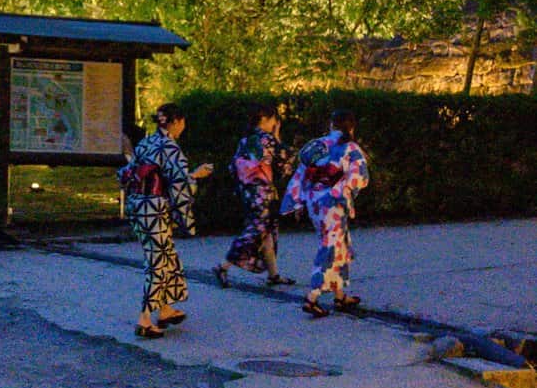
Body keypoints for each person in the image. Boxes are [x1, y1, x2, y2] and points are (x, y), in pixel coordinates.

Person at [121, 102, 213, 339]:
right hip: (154, 205)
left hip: (137, 204)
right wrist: (196, 174)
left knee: (167, 256)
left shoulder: (146, 142)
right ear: (176, 122)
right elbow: (179, 180)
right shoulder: (169, 147)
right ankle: (144, 318)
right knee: (159, 262)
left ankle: (165, 309)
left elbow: (131, 170)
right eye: (182, 122)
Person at [280, 108, 370, 318]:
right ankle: (312, 297)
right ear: (352, 127)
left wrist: (297, 201)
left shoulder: (316, 145)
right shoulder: (351, 148)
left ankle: (340, 295)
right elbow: (360, 178)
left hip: (315, 201)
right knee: (330, 247)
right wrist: (341, 190)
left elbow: (300, 174)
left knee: (337, 244)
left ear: (331, 125)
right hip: (334, 203)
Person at [212, 101, 296, 289]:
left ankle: (273, 274)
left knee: (265, 231)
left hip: (247, 191)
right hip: (262, 191)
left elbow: (234, 166)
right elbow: (285, 160)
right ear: (265, 119)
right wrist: (277, 136)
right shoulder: (266, 139)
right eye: (274, 119)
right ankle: (223, 266)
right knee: (257, 230)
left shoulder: (246, 140)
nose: (275, 123)